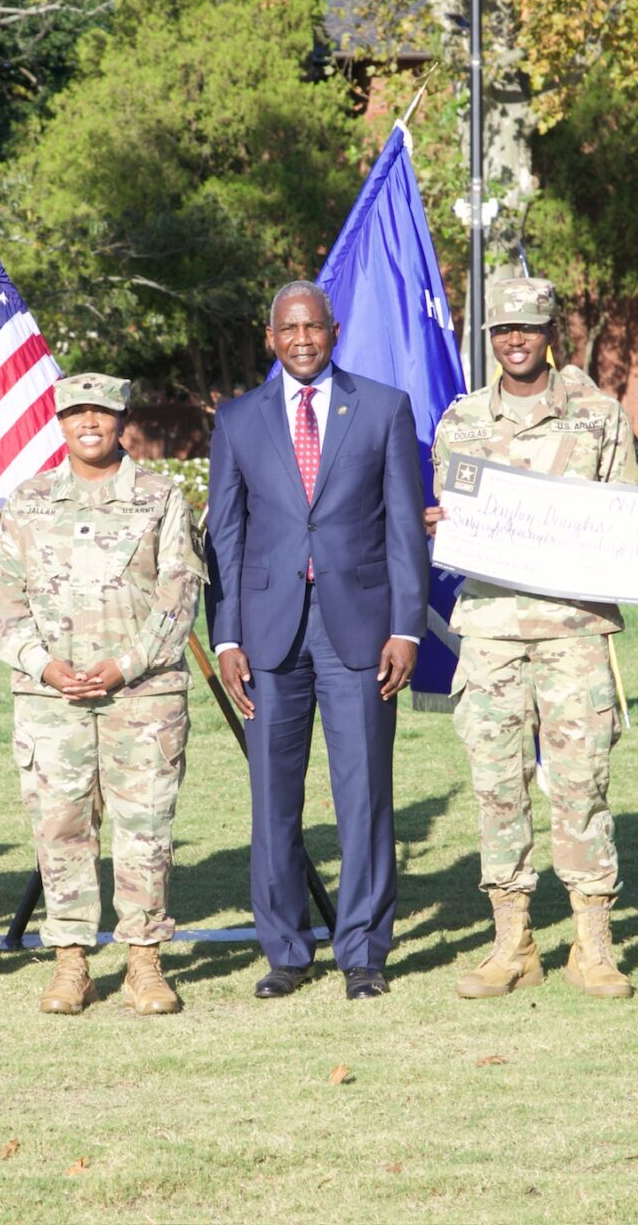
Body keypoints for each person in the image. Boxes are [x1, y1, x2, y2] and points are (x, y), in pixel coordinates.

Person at [424, 278, 638, 1002]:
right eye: (503, 330)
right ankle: (513, 942)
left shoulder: (599, 416)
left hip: (573, 632)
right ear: (490, 338)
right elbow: (452, 517)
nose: (515, 340)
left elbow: (634, 515)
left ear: (550, 334)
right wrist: (437, 524)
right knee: (497, 787)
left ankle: (593, 945)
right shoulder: (462, 423)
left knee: (580, 786)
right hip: (490, 633)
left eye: (529, 328)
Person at [207, 280, 430, 1000]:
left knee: (364, 793)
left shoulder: (384, 409)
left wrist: (405, 627)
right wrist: (226, 635)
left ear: (333, 331)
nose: (301, 339)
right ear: (269, 337)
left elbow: (403, 526)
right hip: (267, 637)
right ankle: (286, 952)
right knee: (273, 799)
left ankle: (363, 954)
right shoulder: (238, 420)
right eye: (287, 329)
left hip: (360, 631)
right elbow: (227, 537)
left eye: (313, 327)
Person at [0, 373, 204, 1015]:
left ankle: (143, 963)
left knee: (144, 831)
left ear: (121, 420)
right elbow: (6, 598)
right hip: (51, 698)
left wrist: (124, 664)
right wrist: (43, 665)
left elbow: (179, 593)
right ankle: (72, 965)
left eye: (102, 413)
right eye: (76, 412)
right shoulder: (26, 502)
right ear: (59, 423)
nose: (89, 423)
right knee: (61, 830)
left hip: (142, 696)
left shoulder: (161, 498)